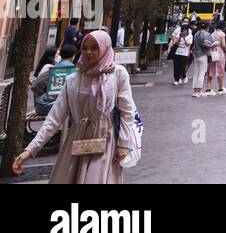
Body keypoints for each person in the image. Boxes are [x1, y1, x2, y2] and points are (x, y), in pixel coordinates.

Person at [12, 30, 141, 183]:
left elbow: (127, 112)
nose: (88, 52)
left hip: (106, 140)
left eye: (94, 47)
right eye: (85, 47)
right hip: (77, 140)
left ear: (105, 48)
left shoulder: (118, 74)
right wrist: (30, 150)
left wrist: (123, 144)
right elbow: (54, 118)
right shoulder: (73, 78)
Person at [31, 45, 77, 116]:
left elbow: (35, 87)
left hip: (45, 107)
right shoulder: (76, 71)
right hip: (68, 107)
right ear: (73, 56)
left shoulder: (52, 69)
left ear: (60, 55)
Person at [191, 20, 213, 97]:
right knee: (202, 73)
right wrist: (213, 45)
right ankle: (199, 90)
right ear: (207, 26)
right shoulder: (207, 34)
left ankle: (195, 90)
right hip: (203, 54)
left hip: (196, 54)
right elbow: (207, 44)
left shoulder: (196, 33)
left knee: (196, 73)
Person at [207, 21, 226, 95]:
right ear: (224, 27)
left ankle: (208, 89)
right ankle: (221, 88)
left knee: (211, 69)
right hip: (219, 53)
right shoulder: (222, 34)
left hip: (213, 52)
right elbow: (223, 45)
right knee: (220, 69)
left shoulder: (213, 33)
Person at [168, 21, 193, 86]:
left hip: (184, 53)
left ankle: (184, 76)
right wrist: (179, 38)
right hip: (177, 52)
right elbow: (176, 44)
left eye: (185, 30)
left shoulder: (190, 36)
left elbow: (188, 45)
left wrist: (184, 39)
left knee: (182, 66)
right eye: (183, 30)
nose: (184, 31)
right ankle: (176, 79)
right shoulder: (178, 35)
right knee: (176, 66)